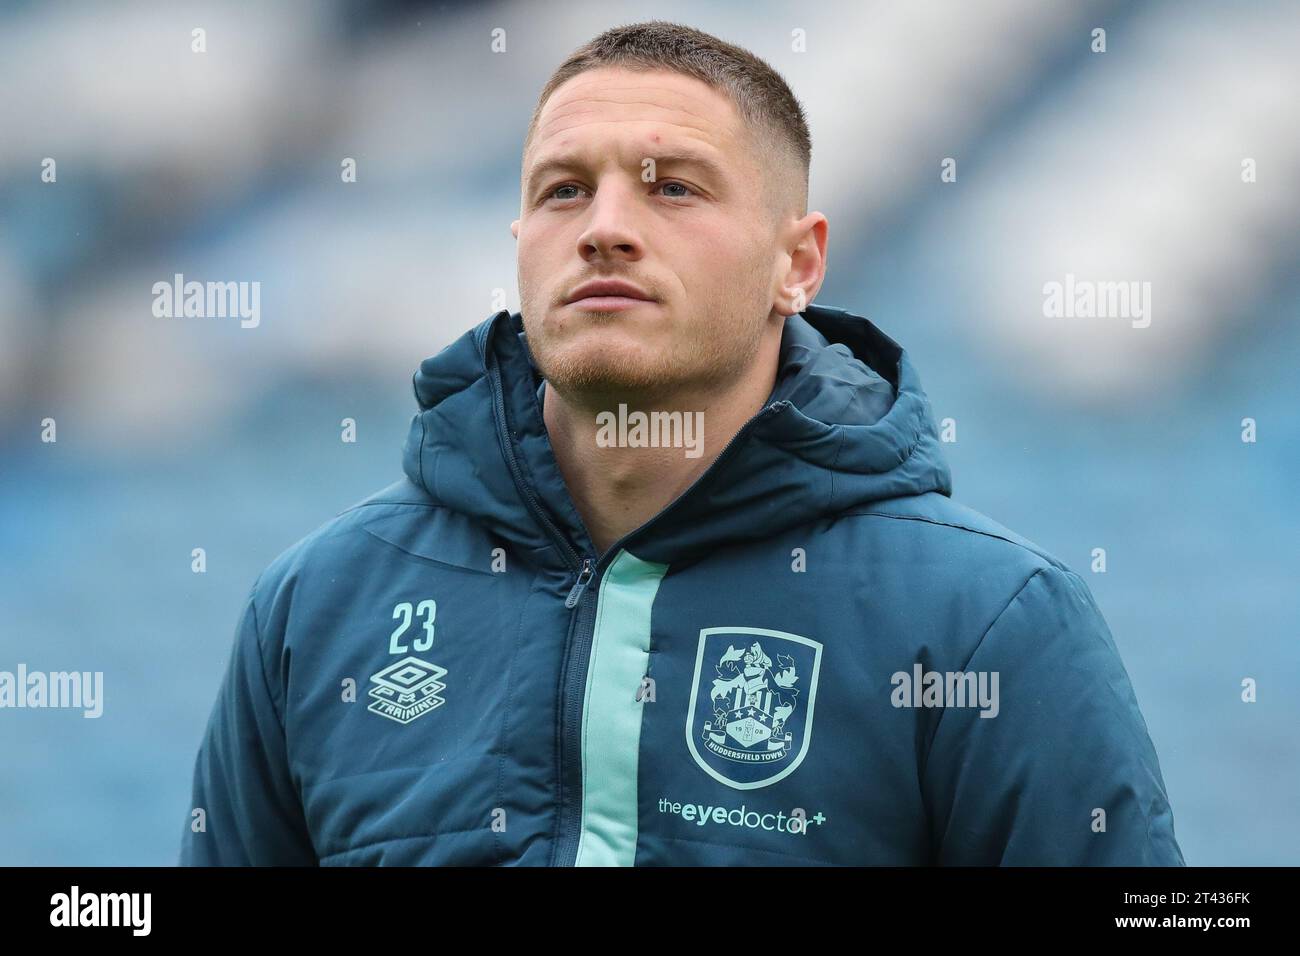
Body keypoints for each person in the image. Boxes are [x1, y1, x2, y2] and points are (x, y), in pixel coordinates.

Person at [181, 20, 1183, 866]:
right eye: (563, 190)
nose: (604, 228)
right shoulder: (318, 606)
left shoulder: (987, 619)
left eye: (672, 189)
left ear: (798, 262)